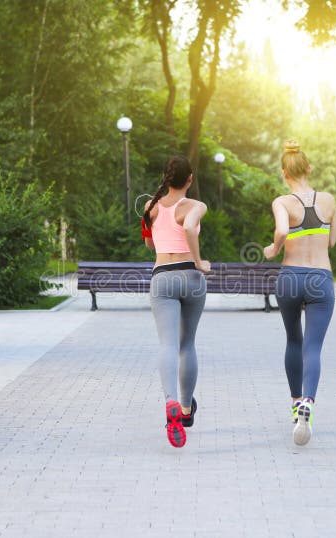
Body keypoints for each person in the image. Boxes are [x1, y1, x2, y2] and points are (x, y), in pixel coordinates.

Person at [263, 140, 336, 446]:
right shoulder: (329, 201)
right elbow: (331, 242)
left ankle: (295, 403)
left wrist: (274, 247)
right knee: (313, 346)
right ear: (308, 168)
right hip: (320, 277)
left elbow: (281, 231)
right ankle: (309, 400)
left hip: (291, 277)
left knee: (294, 339)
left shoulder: (282, 202)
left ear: (284, 173)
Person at [142, 155, 210, 448]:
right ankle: (184, 409)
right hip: (190, 276)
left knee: (167, 345)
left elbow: (149, 243)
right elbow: (189, 228)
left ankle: (169, 401)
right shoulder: (194, 206)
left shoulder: (151, 207)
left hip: (163, 276)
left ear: (166, 177)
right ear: (190, 179)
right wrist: (198, 261)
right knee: (187, 345)